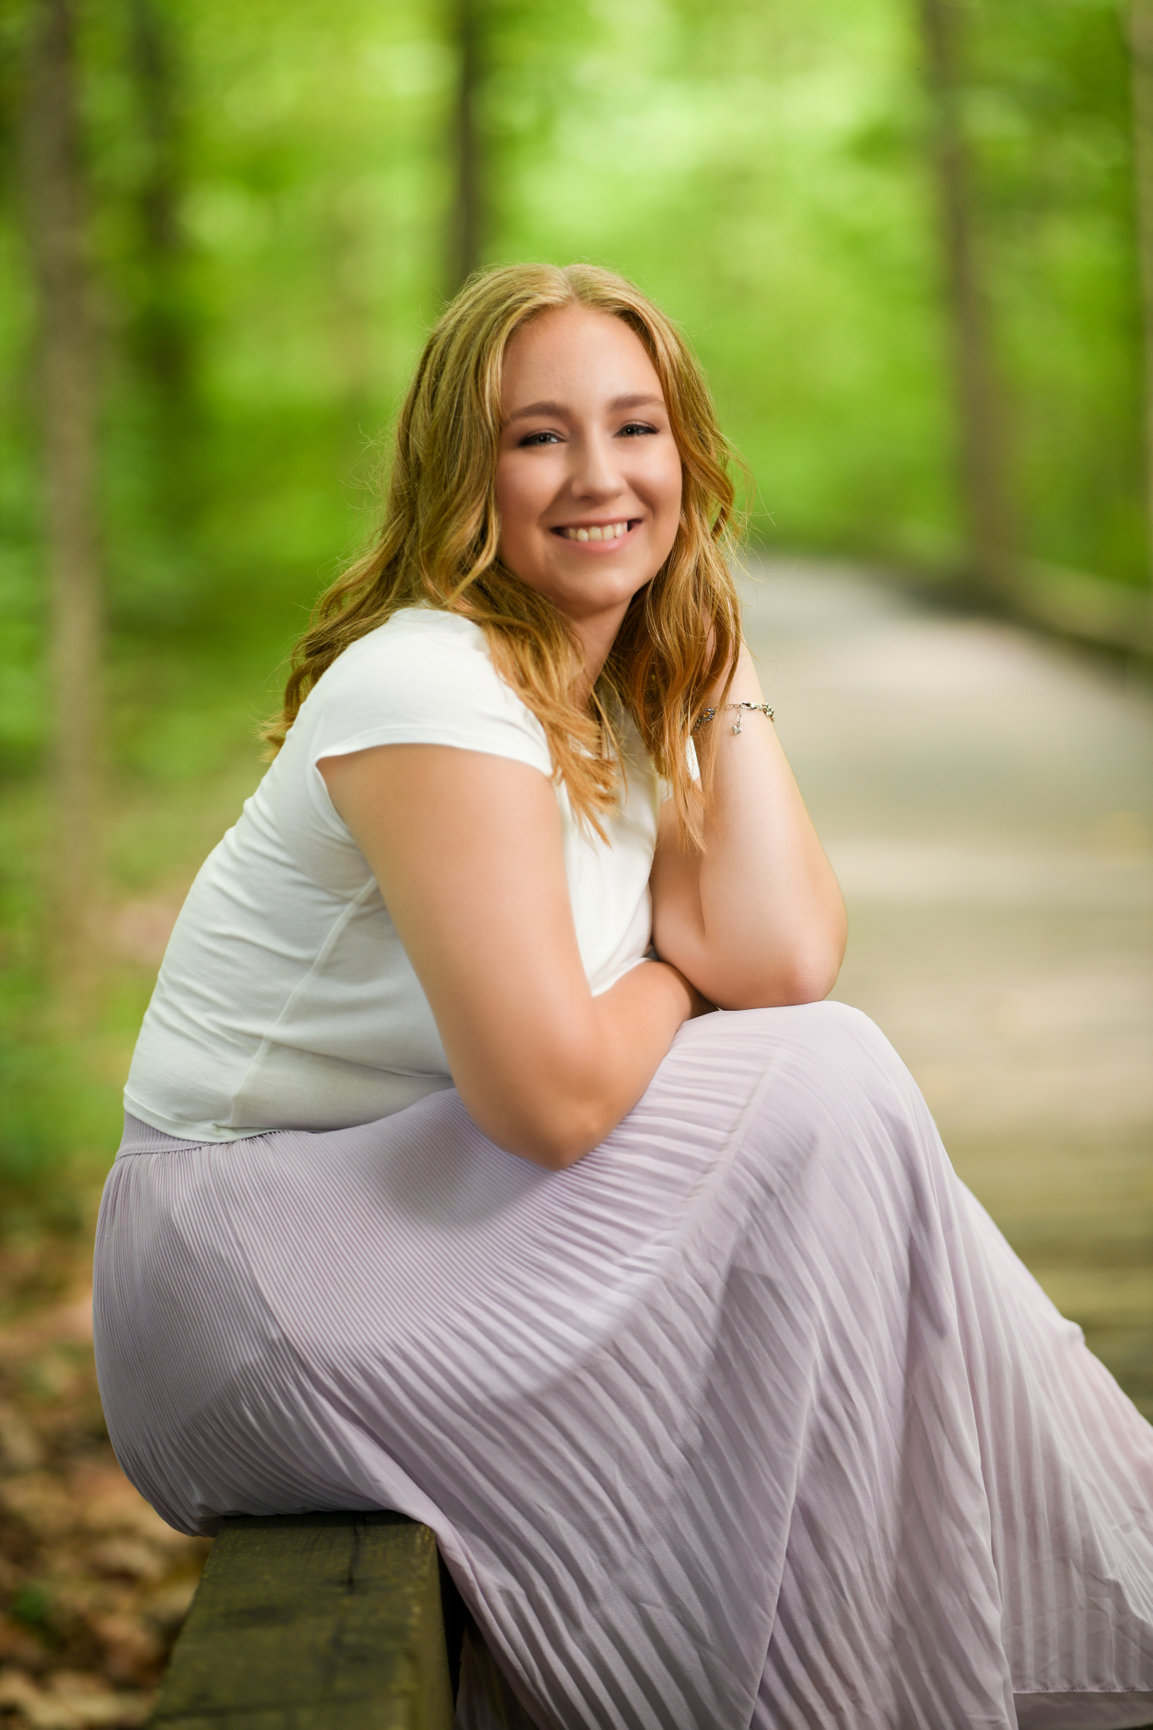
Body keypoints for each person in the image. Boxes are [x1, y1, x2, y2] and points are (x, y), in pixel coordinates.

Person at [93, 263, 1153, 1730]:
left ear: (688, 457)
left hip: (419, 1214)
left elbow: (778, 960)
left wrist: (719, 654)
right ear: (462, 474)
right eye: (538, 436)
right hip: (258, 1273)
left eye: (635, 427)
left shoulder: (602, 688)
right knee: (820, 1092)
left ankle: (826, 1675)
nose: (598, 474)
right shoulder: (433, 684)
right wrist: (666, 975)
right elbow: (554, 1097)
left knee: (823, 1113)